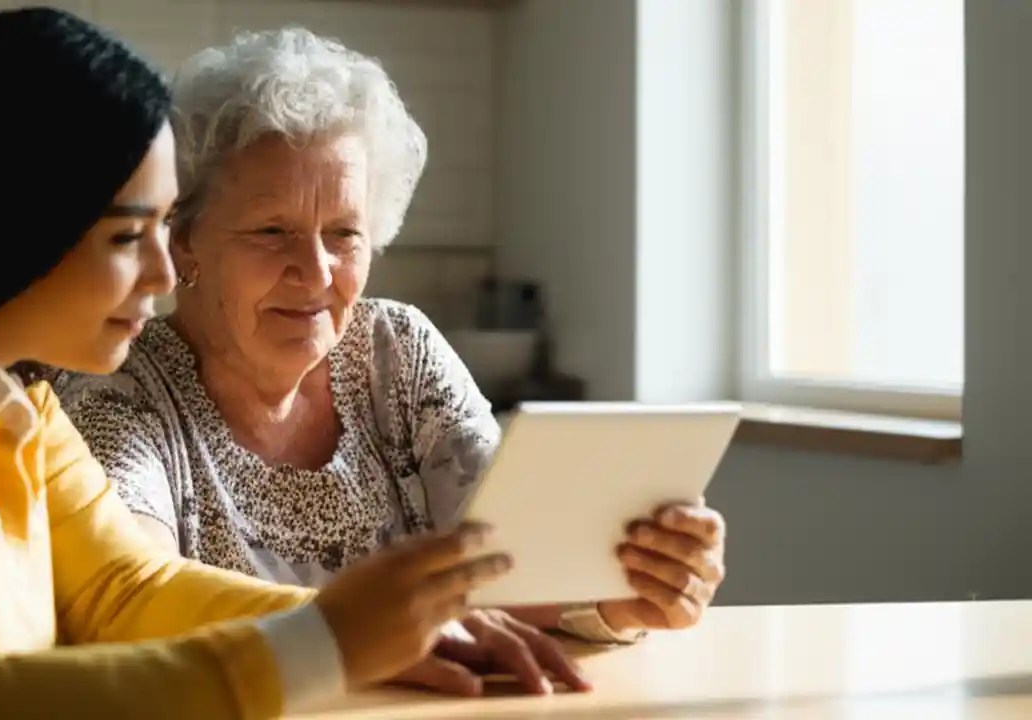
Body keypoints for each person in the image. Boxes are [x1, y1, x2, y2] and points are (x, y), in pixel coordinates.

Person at [0, 9, 544, 719]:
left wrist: (385, 629)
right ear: (16, 223)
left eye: (165, 229)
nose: (164, 273)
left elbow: (127, 590)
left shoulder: (13, 399)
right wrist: (327, 644)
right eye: (130, 237)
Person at [50, 24, 729, 674]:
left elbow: (505, 566)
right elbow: (136, 602)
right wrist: (365, 633)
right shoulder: (118, 388)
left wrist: (620, 594)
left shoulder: (396, 351)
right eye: (271, 232)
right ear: (184, 239)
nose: (316, 272)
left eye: (343, 233)